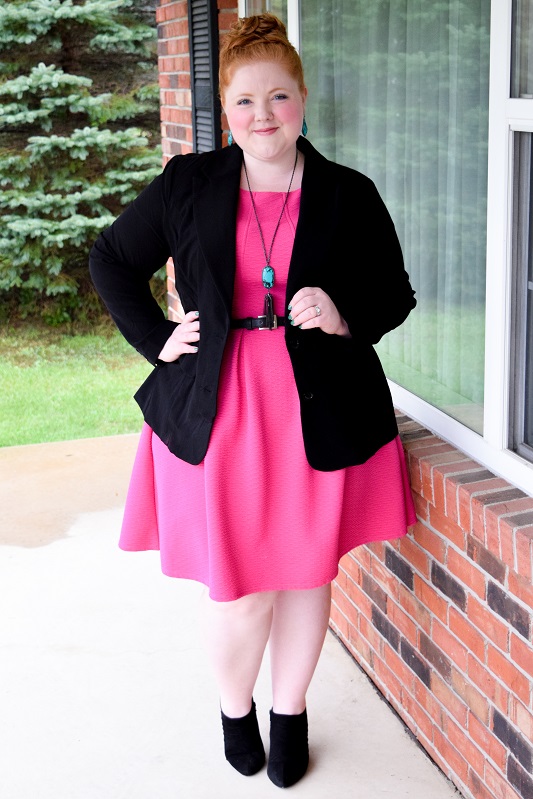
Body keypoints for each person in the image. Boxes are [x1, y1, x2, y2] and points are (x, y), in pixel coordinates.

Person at [89, 12, 417, 789]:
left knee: (306, 575)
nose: (261, 116)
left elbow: (393, 293)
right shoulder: (188, 184)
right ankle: (235, 707)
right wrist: (157, 339)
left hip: (316, 407)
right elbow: (111, 259)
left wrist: (344, 315)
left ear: (302, 99)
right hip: (221, 409)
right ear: (227, 109)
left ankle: (290, 708)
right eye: (244, 101)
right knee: (237, 590)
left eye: (277, 97)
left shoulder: (347, 192)